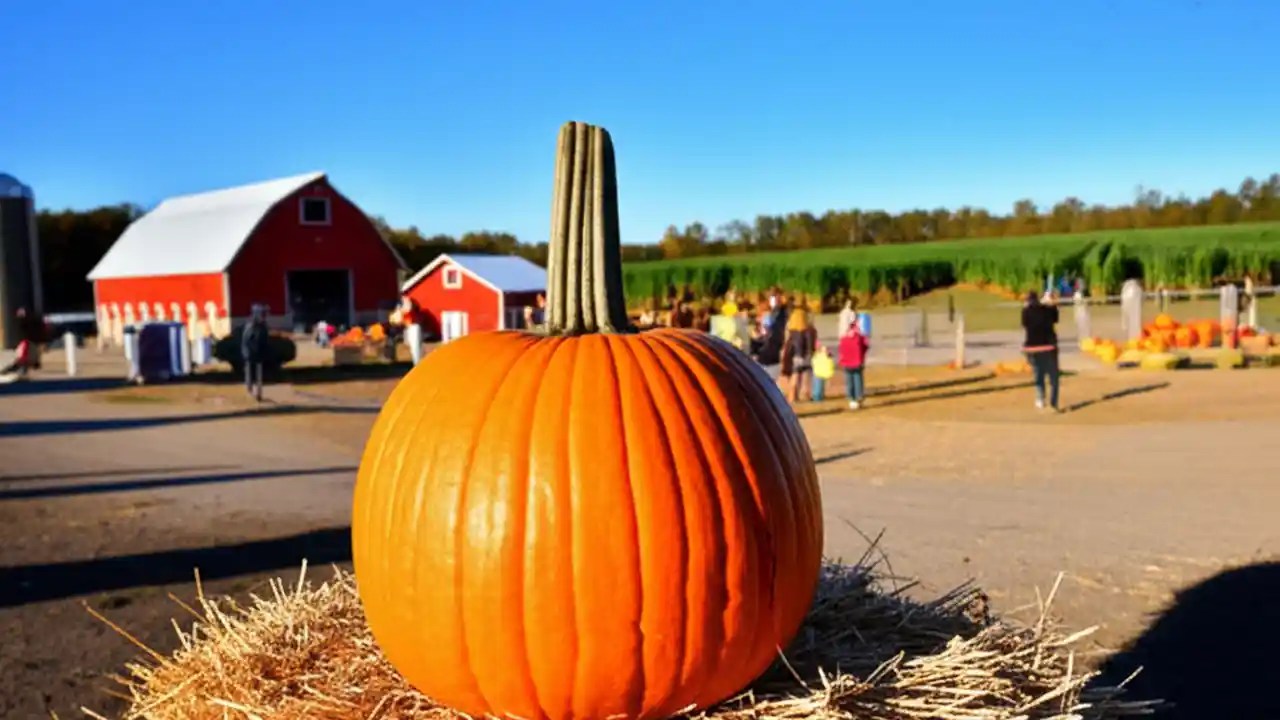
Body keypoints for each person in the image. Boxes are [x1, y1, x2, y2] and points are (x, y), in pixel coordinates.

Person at [1021, 290, 1061, 411]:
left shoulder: (1026, 311)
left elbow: (1025, 323)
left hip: (1032, 348)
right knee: (1053, 377)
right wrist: (1053, 304)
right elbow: (1056, 319)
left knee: (1038, 374)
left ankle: (1040, 399)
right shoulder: (1048, 310)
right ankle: (1053, 403)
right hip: (1048, 346)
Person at [784, 307, 816, 403]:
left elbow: (788, 345)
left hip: (795, 356)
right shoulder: (808, 330)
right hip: (805, 355)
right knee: (805, 376)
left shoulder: (791, 331)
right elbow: (810, 345)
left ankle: (793, 396)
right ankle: (806, 394)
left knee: (795, 376)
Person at [838, 320, 870, 409]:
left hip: (846, 363)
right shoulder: (859, 337)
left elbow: (841, 350)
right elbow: (866, 346)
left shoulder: (843, 339)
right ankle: (858, 398)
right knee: (858, 381)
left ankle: (851, 399)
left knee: (849, 382)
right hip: (857, 362)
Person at [241, 304, 270, 402]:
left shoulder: (263, 326)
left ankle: (259, 393)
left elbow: (265, 340)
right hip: (250, 353)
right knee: (249, 372)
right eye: (263, 313)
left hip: (259, 354)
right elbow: (246, 341)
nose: (264, 316)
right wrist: (248, 352)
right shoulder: (250, 326)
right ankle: (250, 389)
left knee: (259, 374)